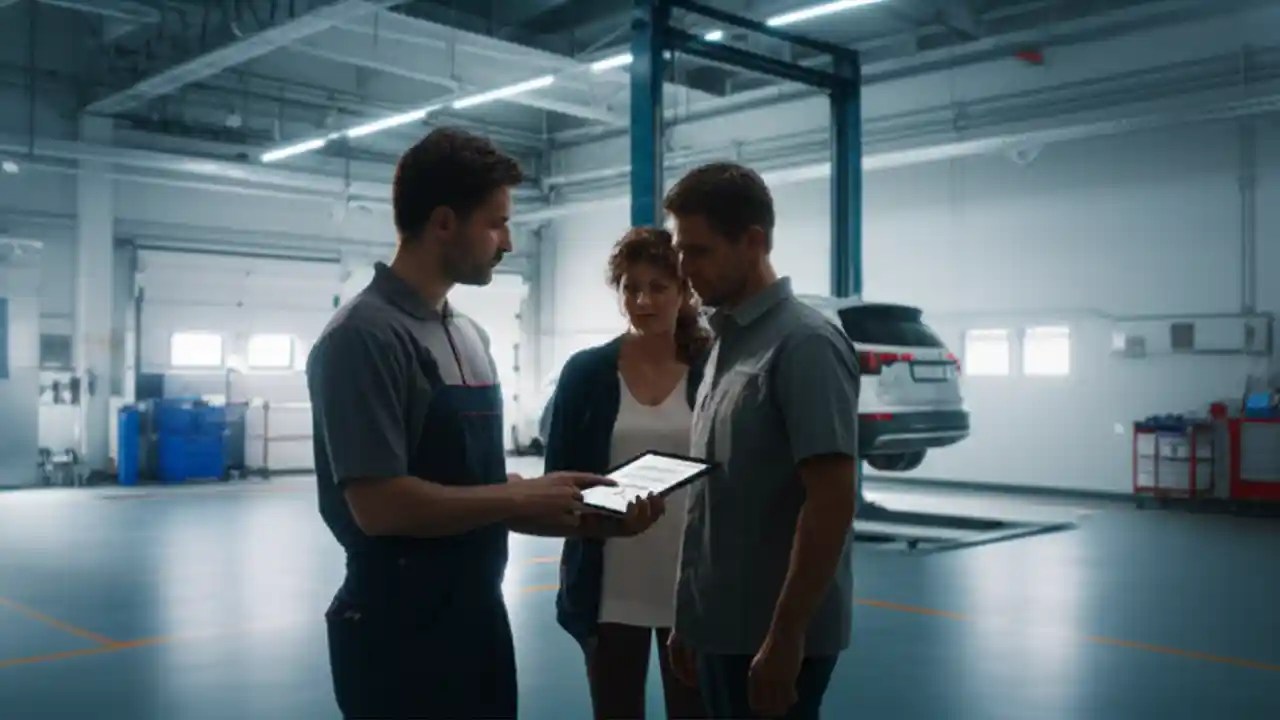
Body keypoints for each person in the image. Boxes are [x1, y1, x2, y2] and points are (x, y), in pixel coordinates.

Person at [306, 126, 663, 720]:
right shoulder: (363, 337)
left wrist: (583, 516)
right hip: (396, 634)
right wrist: (515, 498)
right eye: (496, 223)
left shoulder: (469, 335)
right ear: (444, 223)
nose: (507, 241)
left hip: (476, 621)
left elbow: (479, 496)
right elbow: (380, 505)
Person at [663, 162, 860, 720]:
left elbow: (831, 501)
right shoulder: (727, 340)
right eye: (681, 250)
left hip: (771, 635)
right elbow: (714, 499)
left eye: (698, 251)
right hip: (722, 624)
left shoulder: (805, 345)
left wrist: (787, 637)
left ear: (753, 242)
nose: (684, 269)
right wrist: (691, 617)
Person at [549, 227, 712, 720]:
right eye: (630, 287)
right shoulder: (587, 372)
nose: (642, 300)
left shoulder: (711, 367)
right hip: (609, 581)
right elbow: (558, 478)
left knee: (695, 711)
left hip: (693, 583)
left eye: (658, 286)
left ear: (684, 292)